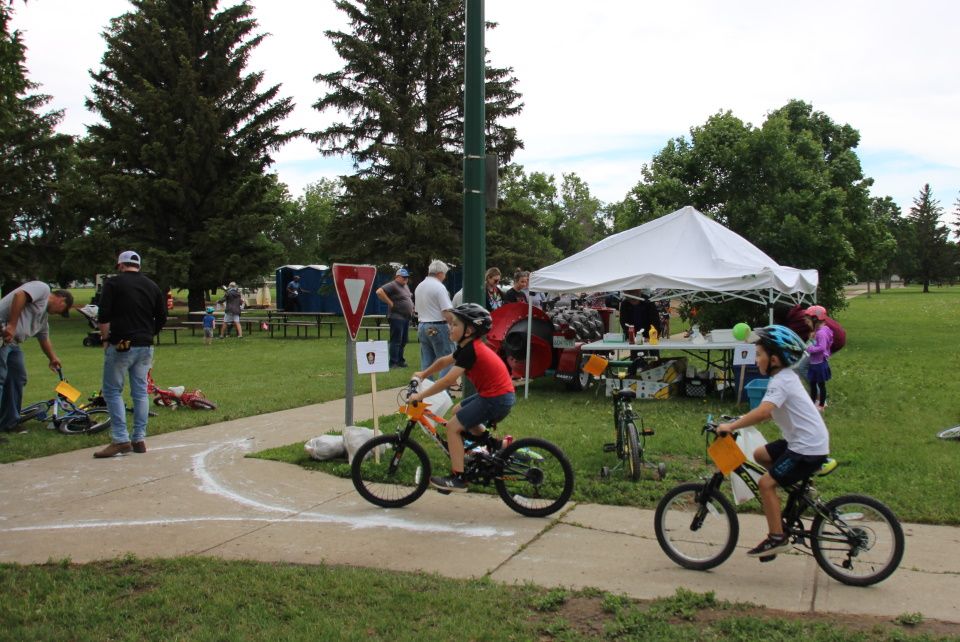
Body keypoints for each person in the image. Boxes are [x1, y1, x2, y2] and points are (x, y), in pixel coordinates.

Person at [716, 325, 829, 557]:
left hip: (806, 448)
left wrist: (732, 427)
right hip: (803, 442)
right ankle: (800, 490)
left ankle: (777, 538)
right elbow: (766, 411)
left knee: (766, 484)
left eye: (759, 355)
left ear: (774, 359)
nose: (756, 359)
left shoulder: (781, 382)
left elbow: (764, 412)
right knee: (760, 455)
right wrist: (739, 420)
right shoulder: (784, 377)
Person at [409, 303, 515, 493]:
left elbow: (448, 380)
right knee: (458, 410)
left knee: (452, 427)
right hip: (497, 395)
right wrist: (423, 374)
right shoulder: (467, 347)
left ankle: (458, 478)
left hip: (496, 399)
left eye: (455, 324)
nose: (450, 327)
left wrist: (420, 396)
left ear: (469, 330)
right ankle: (496, 445)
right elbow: (444, 361)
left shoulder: (471, 351)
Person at [94, 250, 166, 458]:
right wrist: (149, 333)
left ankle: (120, 439)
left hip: (121, 343)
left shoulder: (113, 283)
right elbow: (161, 316)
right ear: (139, 266)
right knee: (140, 391)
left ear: (120, 265)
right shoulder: (152, 286)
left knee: (112, 391)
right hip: (145, 344)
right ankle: (139, 438)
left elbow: (103, 315)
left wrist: (105, 339)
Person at [1, 283, 72, 440]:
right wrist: (12, 325)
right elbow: (20, 295)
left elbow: (44, 338)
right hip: (3, 332)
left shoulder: (42, 319)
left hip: (12, 343)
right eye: (63, 310)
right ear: (61, 299)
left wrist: (52, 358)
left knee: (17, 378)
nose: (59, 314)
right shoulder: (43, 289)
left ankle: (9, 422)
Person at [414, 259, 455, 378]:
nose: (445, 277)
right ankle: (443, 388)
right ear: (440, 273)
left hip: (422, 325)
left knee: (427, 361)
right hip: (438, 325)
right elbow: (446, 311)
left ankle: (426, 387)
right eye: (445, 274)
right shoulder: (439, 287)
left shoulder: (419, 286)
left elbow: (417, 310)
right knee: (446, 359)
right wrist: (453, 326)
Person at [375, 267, 413, 368]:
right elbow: (379, 292)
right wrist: (390, 303)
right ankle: (393, 362)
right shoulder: (393, 285)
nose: (406, 279)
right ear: (397, 277)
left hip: (405, 317)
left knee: (403, 340)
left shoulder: (405, 286)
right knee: (396, 340)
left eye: (407, 277)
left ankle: (400, 360)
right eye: (403, 277)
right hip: (397, 316)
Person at [803, 305, 834, 412]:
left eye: (808, 321)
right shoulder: (821, 330)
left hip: (819, 364)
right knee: (812, 384)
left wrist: (810, 349)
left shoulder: (821, 333)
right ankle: (812, 404)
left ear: (815, 320)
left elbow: (822, 347)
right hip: (815, 363)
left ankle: (821, 405)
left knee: (821, 385)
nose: (807, 323)